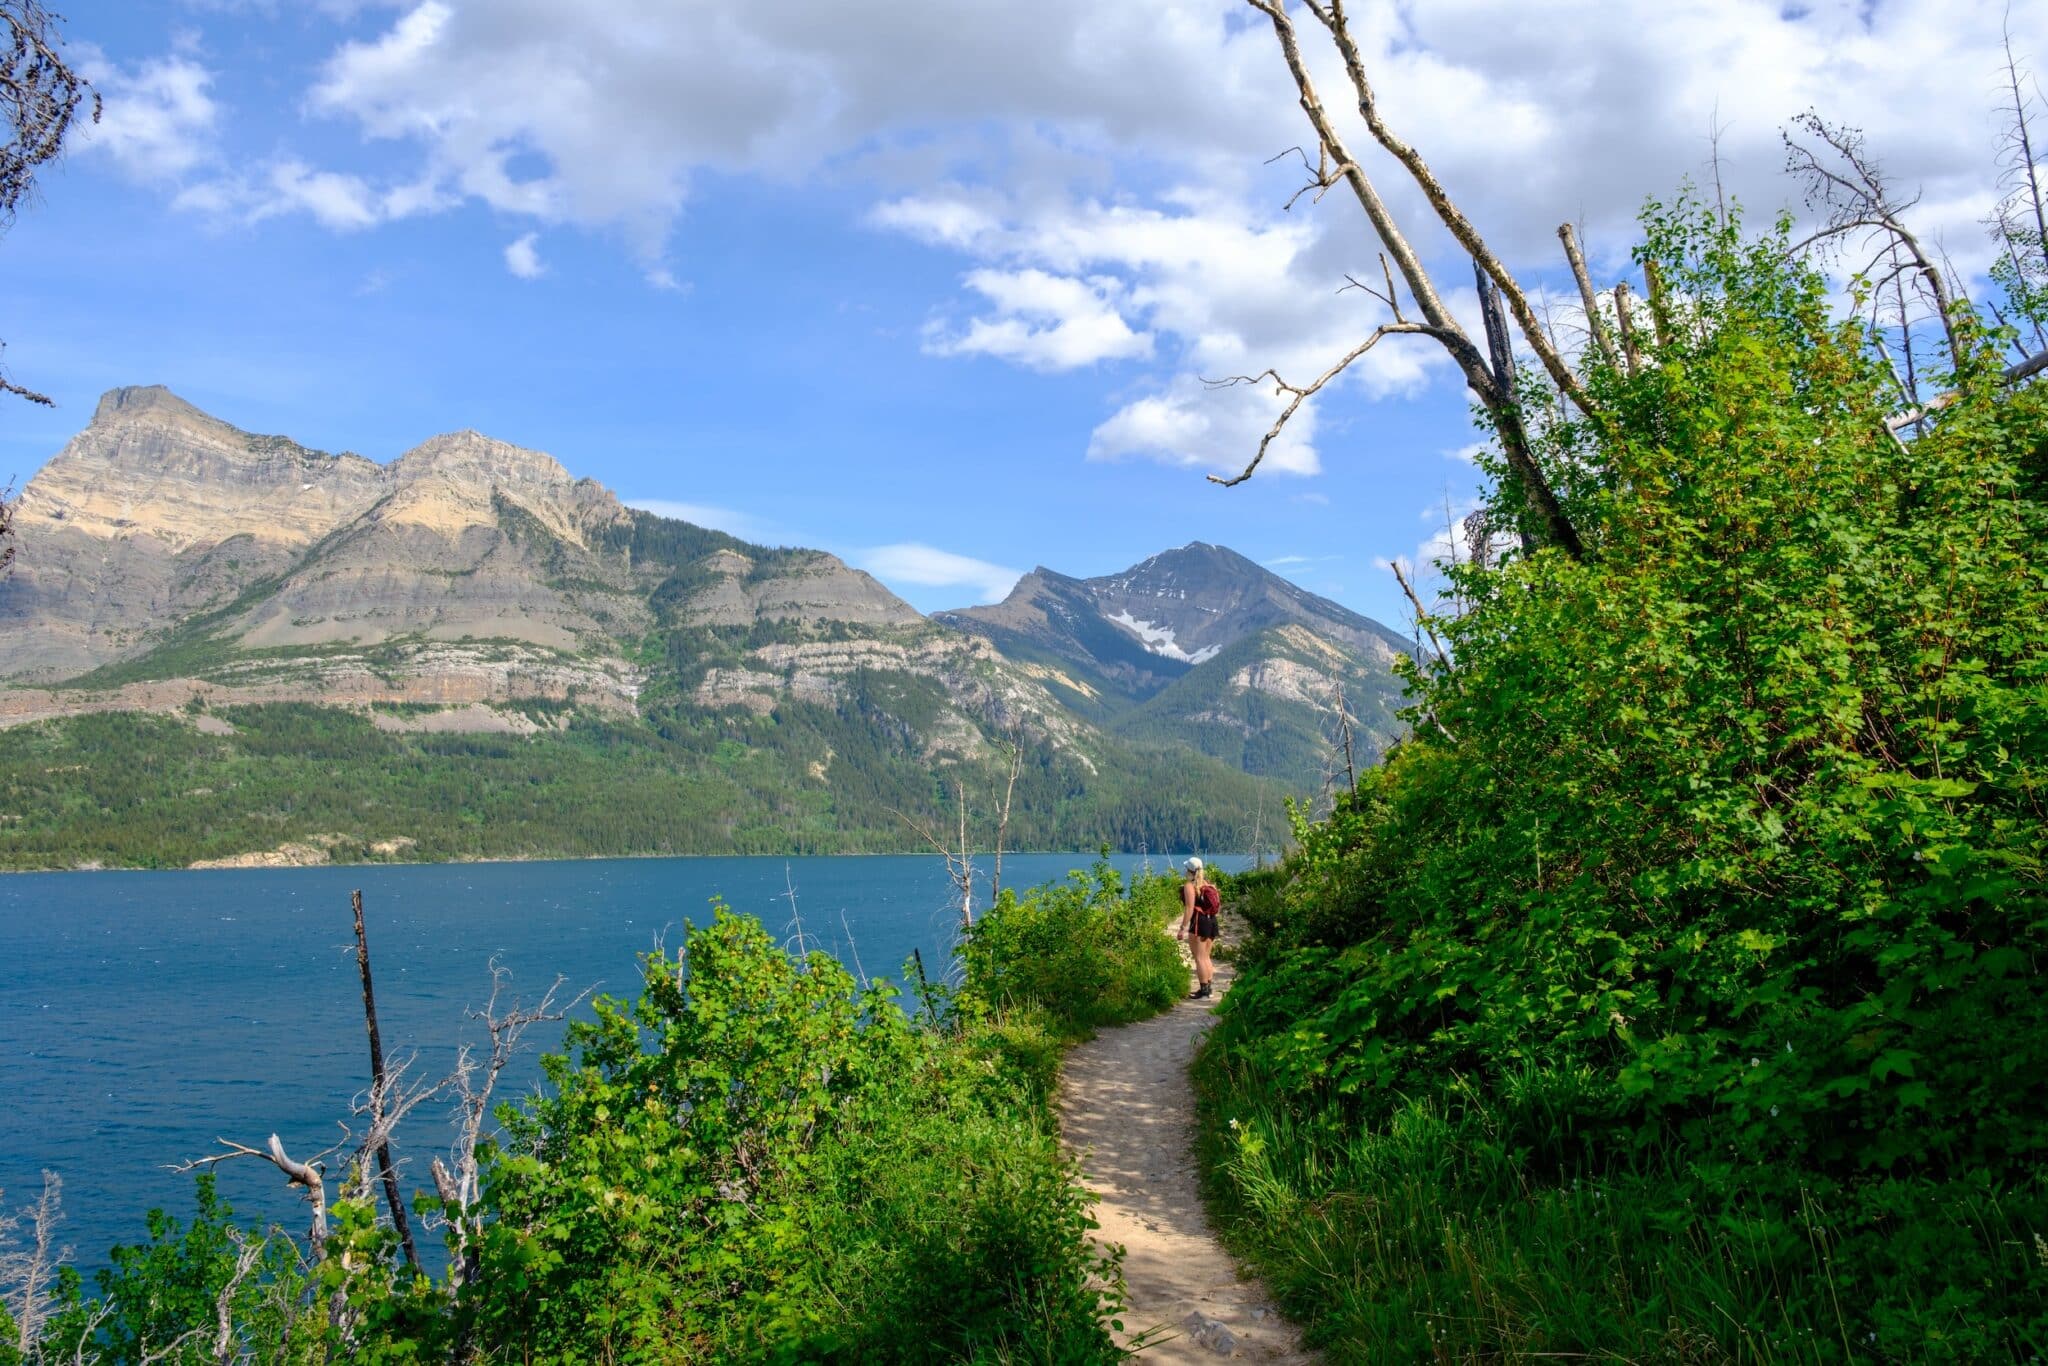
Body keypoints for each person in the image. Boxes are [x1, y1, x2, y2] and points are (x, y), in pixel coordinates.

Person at [1176, 856, 1221, 1000]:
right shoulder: (1207, 884)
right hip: (1211, 922)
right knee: (1206, 957)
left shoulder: (1189, 886)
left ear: (1189, 870)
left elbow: (1189, 909)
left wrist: (1182, 928)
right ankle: (1208, 988)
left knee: (1200, 958)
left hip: (1199, 922)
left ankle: (1204, 991)